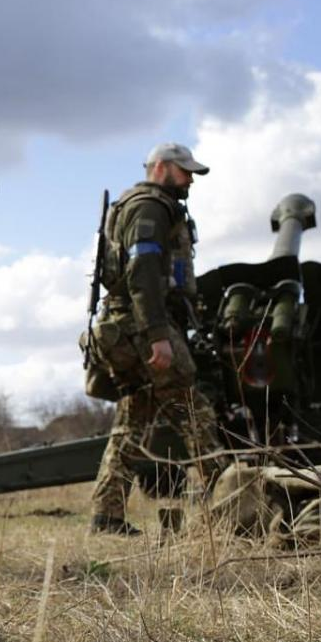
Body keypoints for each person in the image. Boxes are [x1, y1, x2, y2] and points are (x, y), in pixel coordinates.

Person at [86, 142, 224, 535]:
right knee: (194, 412)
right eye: (185, 172)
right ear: (161, 167)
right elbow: (143, 272)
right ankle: (237, 506)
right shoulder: (150, 207)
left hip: (125, 326)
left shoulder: (148, 205)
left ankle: (106, 515)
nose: (190, 181)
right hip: (141, 327)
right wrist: (157, 336)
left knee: (132, 423)